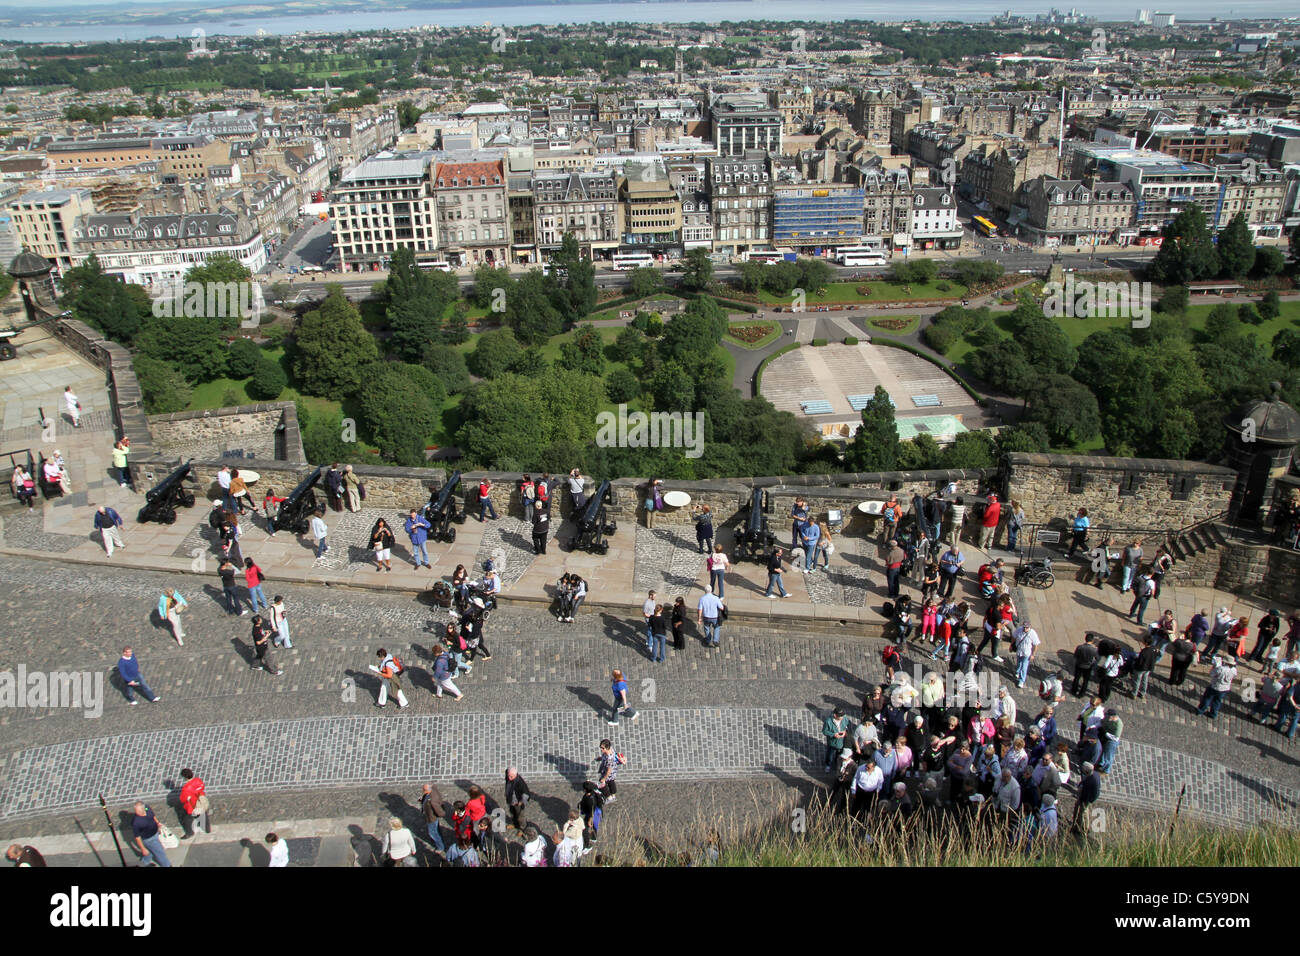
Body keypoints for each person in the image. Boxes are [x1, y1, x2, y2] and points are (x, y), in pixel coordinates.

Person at [1196, 655, 1238, 720]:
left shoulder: (1220, 669)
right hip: (1225, 689)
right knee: (1217, 701)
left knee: (1207, 699)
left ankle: (1200, 710)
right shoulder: (1234, 670)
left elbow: (1211, 674)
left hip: (1215, 687)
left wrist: (1214, 667)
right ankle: (1213, 714)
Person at [131, 802, 171, 867]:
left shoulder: (147, 808)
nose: (136, 812)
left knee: (150, 852)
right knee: (160, 853)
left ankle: (143, 863)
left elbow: (153, 815)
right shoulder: (136, 822)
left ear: (143, 809)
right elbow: (137, 838)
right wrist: (143, 848)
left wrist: (157, 823)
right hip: (149, 839)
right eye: (136, 810)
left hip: (155, 834)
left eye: (138, 811)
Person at [178, 768, 209, 838]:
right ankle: (207, 829)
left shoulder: (186, 788)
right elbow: (202, 787)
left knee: (187, 820)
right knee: (204, 814)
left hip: (193, 806)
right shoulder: (198, 780)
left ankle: (189, 833)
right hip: (201, 801)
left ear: (184, 777)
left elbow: (183, 799)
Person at [1012, 622, 1040, 688]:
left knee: (1024, 667)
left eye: (1027, 628)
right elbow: (1014, 636)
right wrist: (1011, 645)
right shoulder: (1019, 630)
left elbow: (1036, 645)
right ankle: (1017, 672)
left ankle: (1021, 681)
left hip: (1027, 653)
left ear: (1029, 627)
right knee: (1019, 663)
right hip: (1019, 651)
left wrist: (1033, 654)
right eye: (1024, 627)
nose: (1025, 629)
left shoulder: (1032, 633)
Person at [822, 706, 849, 772]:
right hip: (832, 742)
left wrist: (844, 731)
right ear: (835, 715)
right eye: (840, 716)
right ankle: (828, 765)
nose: (842, 717)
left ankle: (837, 764)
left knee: (839, 754)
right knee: (830, 755)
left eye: (842, 716)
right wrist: (833, 735)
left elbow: (846, 725)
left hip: (841, 741)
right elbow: (825, 731)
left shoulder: (844, 718)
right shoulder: (828, 721)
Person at [1097, 709, 1123, 773]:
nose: (1107, 717)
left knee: (1108, 755)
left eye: (1108, 716)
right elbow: (1101, 722)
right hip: (1105, 734)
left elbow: (1116, 738)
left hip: (1112, 740)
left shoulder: (1119, 724)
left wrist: (1105, 733)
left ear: (1113, 717)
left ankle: (1106, 770)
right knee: (1101, 749)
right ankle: (1101, 763)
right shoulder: (1107, 718)